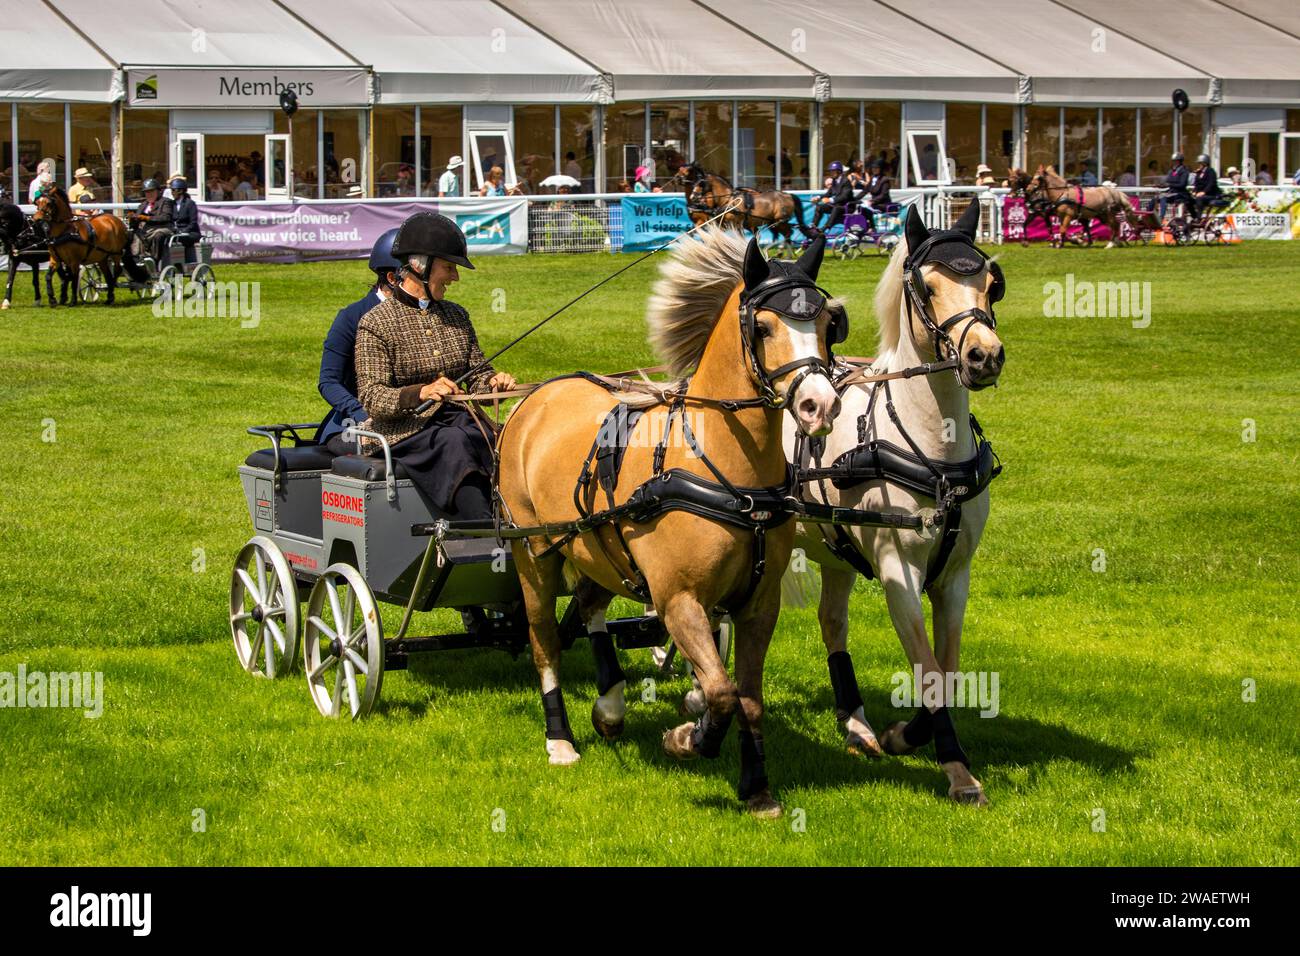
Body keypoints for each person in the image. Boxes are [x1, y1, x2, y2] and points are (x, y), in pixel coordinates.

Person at [353, 212, 517, 518]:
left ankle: (516, 515)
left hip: (456, 421)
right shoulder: (375, 323)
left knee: (499, 435)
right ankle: (481, 524)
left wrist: (494, 383)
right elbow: (372, 397)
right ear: (419, 267)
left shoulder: (457, 315)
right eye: (449, 267)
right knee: (456, 443)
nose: (455, 277)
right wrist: (422, 392)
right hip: (402, 433)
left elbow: (479, 374)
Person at [317, 228, 400, 454]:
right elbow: (328, 382)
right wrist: (363, 413)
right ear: (391, 278)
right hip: (352, 424)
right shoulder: (351, 317)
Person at [128, 179, 174, 263]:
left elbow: (165, 217)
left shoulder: (165, 202)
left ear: (158, 191)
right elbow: (135, 223)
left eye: (151, 191)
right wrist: (133, 218)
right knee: (131, 234)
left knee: (158, 235)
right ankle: (134, 257)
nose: (149, 194)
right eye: (146, 192)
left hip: (162, 227)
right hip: (144, 230)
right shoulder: (143, 205)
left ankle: (154, 259)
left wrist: (146, 218)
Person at [167, 176, 201, 264]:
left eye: (174, 190)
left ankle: (181, 264)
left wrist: (183, 231)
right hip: (177, 233)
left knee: (178, 240)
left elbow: (193, 222)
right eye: (172, 190)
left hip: (190, 233)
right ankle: (175, 266)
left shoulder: (190, 204)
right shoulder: (172, 204)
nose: (172, 193)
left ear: (181, 191)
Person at [812, 161, 853, 231]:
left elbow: (844, 197)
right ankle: (813, 226)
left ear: (839, 171)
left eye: (833, 171)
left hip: (847, 207)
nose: (831, 173)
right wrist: (818, 197)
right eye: (830, 171)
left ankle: (825, 227)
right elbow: (828, 193)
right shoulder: (834, 181)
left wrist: (830, 200)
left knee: (836, 208)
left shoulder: (846, 181)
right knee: (819, 207)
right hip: (837, 205)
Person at [1159, 152, 1192, 219]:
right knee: (1155, 198)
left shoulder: (1184, 171)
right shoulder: (1172, 171)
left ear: (1180, 161)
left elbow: (1182, 185)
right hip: (1171, 192)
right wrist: (1162, 185)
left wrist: (1170, 184)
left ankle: (1161, 218)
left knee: (1163, 197)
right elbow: (1168, 181)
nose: (1174, 163)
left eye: (1176, 161)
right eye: (1173, 161)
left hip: (1180, 193)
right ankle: (1148, 217)